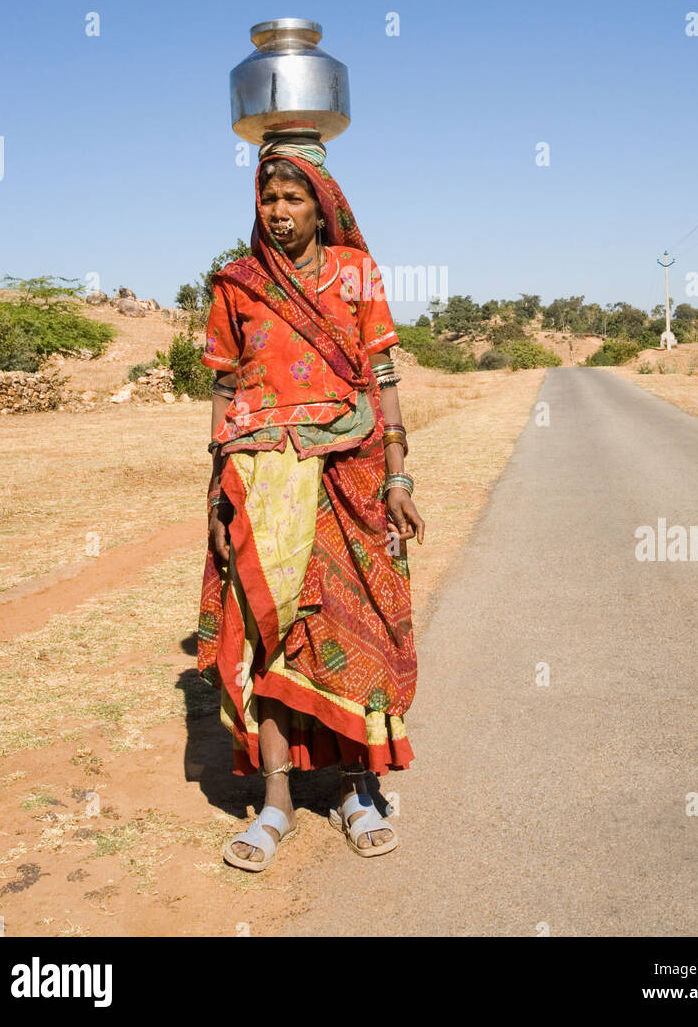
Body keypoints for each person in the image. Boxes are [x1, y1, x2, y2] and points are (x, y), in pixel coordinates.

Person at [196, 132, 425, 870]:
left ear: (324, 207)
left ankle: (360, 793)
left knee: (355, 627)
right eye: (268, 195)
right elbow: (225, 390)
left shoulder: (356, 274)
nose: (278, 209)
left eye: (294, 196)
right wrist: (217, 499)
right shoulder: (236, 282)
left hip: (350, 474)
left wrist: (396, 477)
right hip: (263, 482)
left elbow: (381, 377)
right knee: (270, 634)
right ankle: (276, 802)